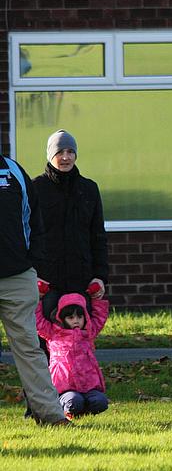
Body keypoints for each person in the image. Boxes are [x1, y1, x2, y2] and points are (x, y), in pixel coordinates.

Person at [0, 153, 69, 426]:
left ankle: (51, 415)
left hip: (17, 277)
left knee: (29, 348)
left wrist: (33, 267)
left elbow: (34, 221)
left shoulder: (14, 172)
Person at [32, 129, 108, 323]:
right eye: (59, 152)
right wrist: (33, 275)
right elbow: (26, 235)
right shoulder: (35, 188)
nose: (65, 157)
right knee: (47, 338)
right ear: (50, 155)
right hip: (47, 282)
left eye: (70, 151)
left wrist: (100, 276)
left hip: (82, 280)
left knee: (80, 340)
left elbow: (98, 235)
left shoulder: (89, 188)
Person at [35, 290, 109, 419]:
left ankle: (84, 411)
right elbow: (37, 321)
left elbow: (100, 317)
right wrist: (38, 299)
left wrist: (96, 299)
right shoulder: (53, 333)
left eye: (80, 317)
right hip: (65, 387)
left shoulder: (88, 333)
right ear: (61, 318)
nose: (76, 321)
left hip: (89, 385)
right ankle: (68, 410)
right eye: (71, 318)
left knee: (101, 401)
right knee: (73, 401)